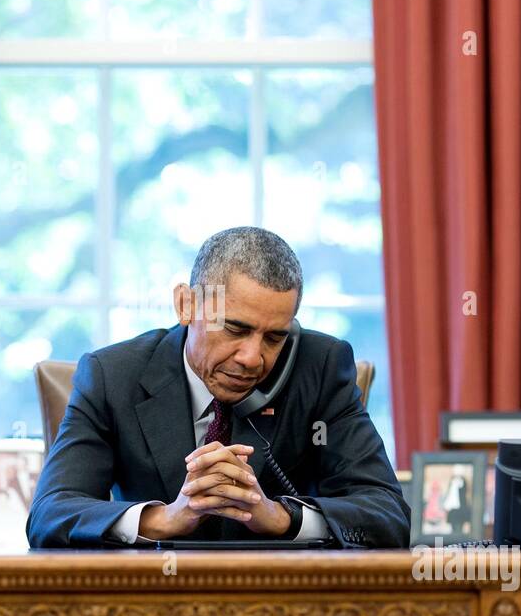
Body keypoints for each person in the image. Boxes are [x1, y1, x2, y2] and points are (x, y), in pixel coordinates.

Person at [28, 226, 410, 548]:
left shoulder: (320, 367)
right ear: (186, 305)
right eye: (234, 329)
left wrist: (280, 517)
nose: (252, 358)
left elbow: (389, 516)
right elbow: (50, 514)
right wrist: (164, 519)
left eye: (274, 337)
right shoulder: (112, 375)